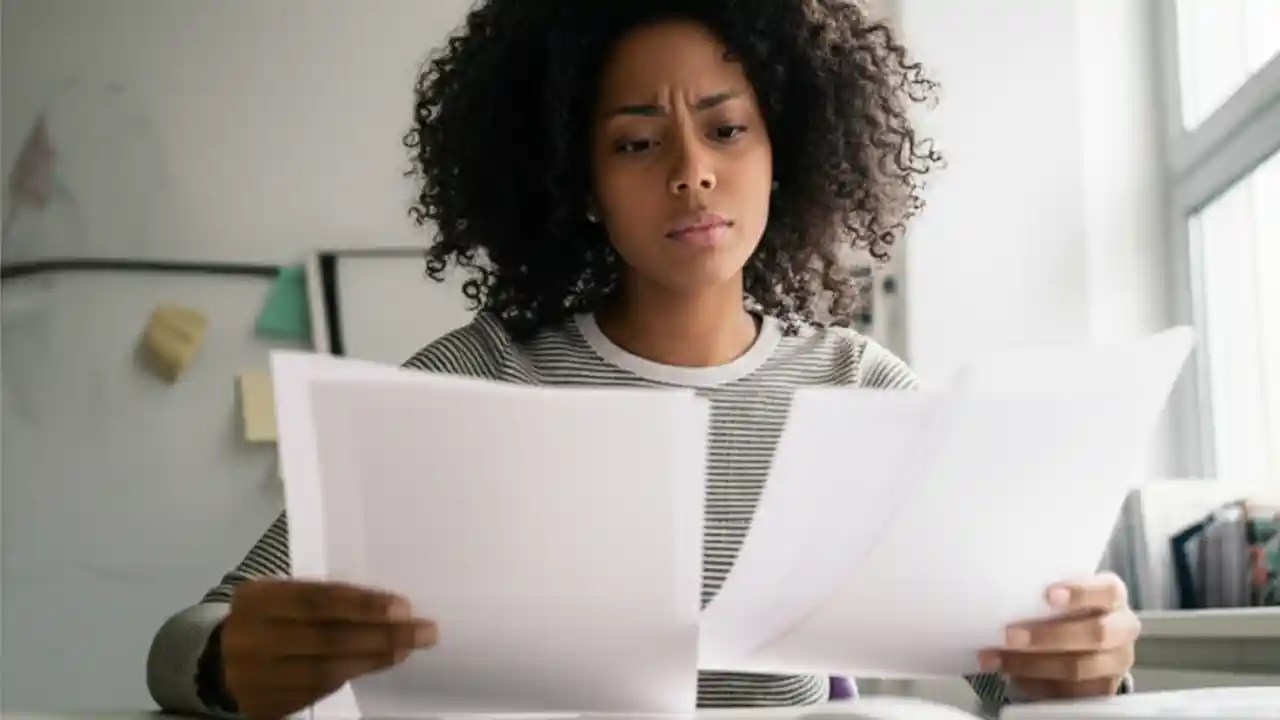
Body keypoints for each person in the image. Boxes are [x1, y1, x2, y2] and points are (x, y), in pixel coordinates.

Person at [146, 1, 1141, 718]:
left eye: (727, 129)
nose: (691, 171)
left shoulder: (862, 392)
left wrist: (1077, 663)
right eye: (635, 144)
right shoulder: (474, 378)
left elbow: (1011, 672)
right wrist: (231, 663)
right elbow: (190, 635)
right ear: (576, 182)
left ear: (784, 152)